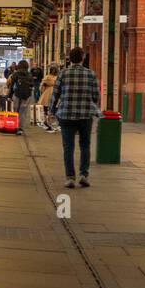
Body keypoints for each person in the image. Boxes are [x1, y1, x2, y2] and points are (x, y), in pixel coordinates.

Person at [51, 47, 100, 189]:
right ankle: (84, 175)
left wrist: (52, 110)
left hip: (66, 115)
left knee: (68, 147)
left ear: (70, 59)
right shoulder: (91, 74)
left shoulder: (63, 74)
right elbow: (96, 96)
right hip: (85, 116)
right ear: (83, 58)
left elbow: (55, 94)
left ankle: (70, 178)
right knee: (85, 145)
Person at [7, 60, 34, 134]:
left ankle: (15, 126)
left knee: (16, 111)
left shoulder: (15, 74)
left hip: (17, 94)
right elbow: (32, 85)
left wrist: (9, 96)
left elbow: (12, 86)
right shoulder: (29, 74)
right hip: (27, 95)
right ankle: (21, 128)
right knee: (23, 112)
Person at [38, 64, 59, 132]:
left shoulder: (57, 77)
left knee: (55, 108)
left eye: (54, 70)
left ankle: (53, 123)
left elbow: (42, 87)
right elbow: (42, 86)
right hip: (49, 93)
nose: (54, 71)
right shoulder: (48, 77)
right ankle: (47, 122)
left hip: (54, 93)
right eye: (52, 70)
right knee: (47, 108)